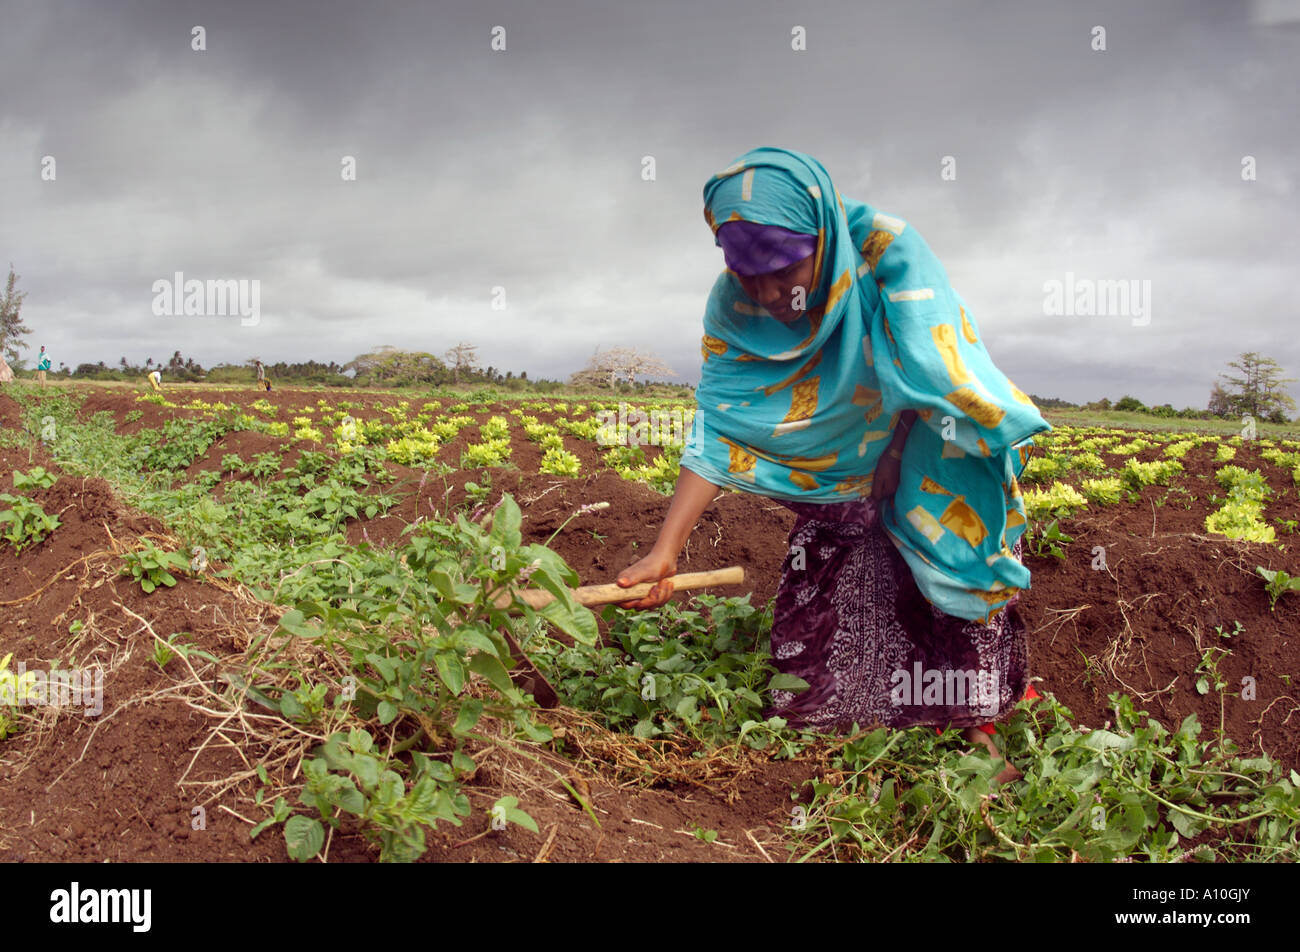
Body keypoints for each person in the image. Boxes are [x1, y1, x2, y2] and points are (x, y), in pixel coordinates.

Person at [616, 147, 1051, 783]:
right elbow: (717, 427)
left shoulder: (886, 265)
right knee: (809, 703)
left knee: (942, 576)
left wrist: (897, 454)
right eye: (747, 274)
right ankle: (865, 728)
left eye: (784, 269)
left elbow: (930, 375)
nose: (769, 293)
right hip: (831, 495)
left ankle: (975, 736)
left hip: (927, 456)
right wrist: (665, 552)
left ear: (821, 237)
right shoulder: (733, 311)